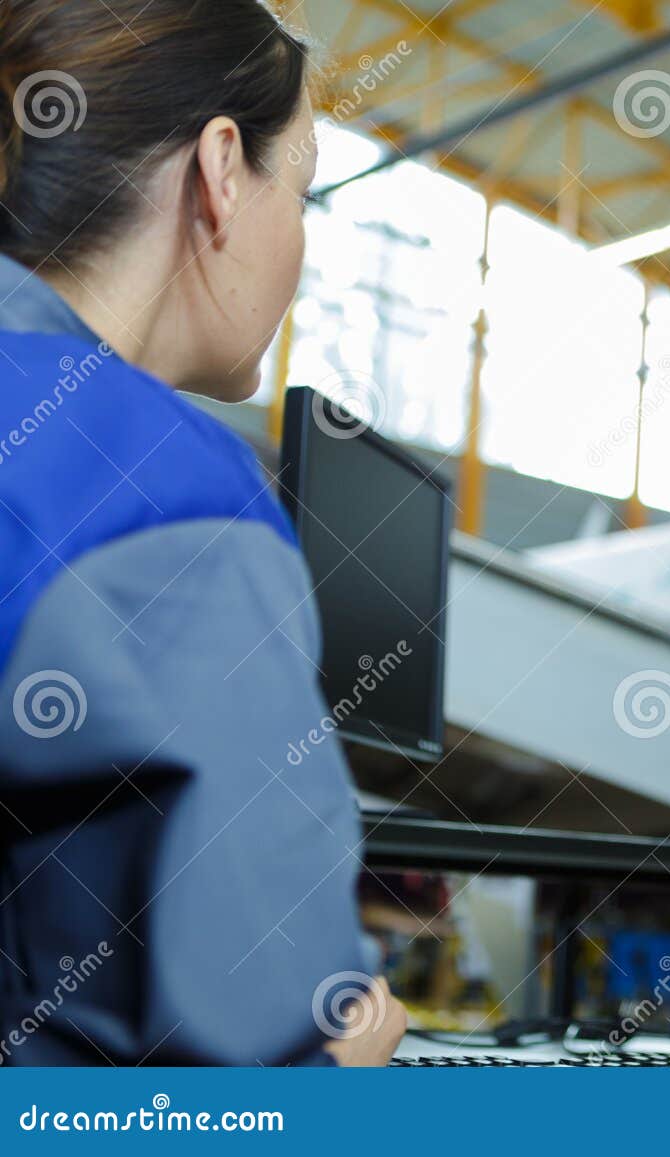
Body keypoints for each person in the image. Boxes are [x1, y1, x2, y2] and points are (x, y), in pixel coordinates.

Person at [0, 0, 404, 1065]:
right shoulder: (157, 479)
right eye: (304, 190)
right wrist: (346, 1050)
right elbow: (242, 1097)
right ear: (221, 169)